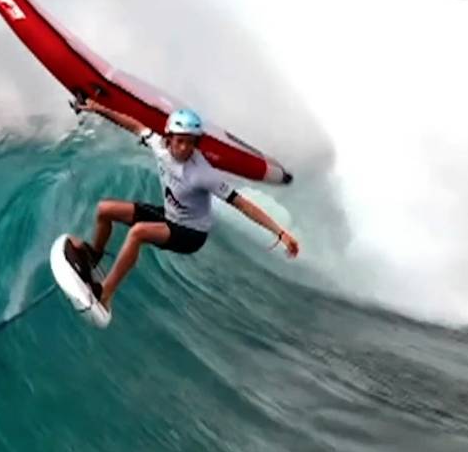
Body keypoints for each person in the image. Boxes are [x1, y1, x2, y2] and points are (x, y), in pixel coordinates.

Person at [73, 99, 300, 311]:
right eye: (180, 141)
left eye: (190, 143)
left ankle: (106, 293)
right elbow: (134, 125)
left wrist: (280, 233)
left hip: (191, 234)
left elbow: (242, 205)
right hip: (170, 217)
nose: (184, 148)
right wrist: (98, 108)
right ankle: (94, 257)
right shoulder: (159, 146)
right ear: (169, 137)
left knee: (137, 232)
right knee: (105, 209)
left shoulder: (203, 174)